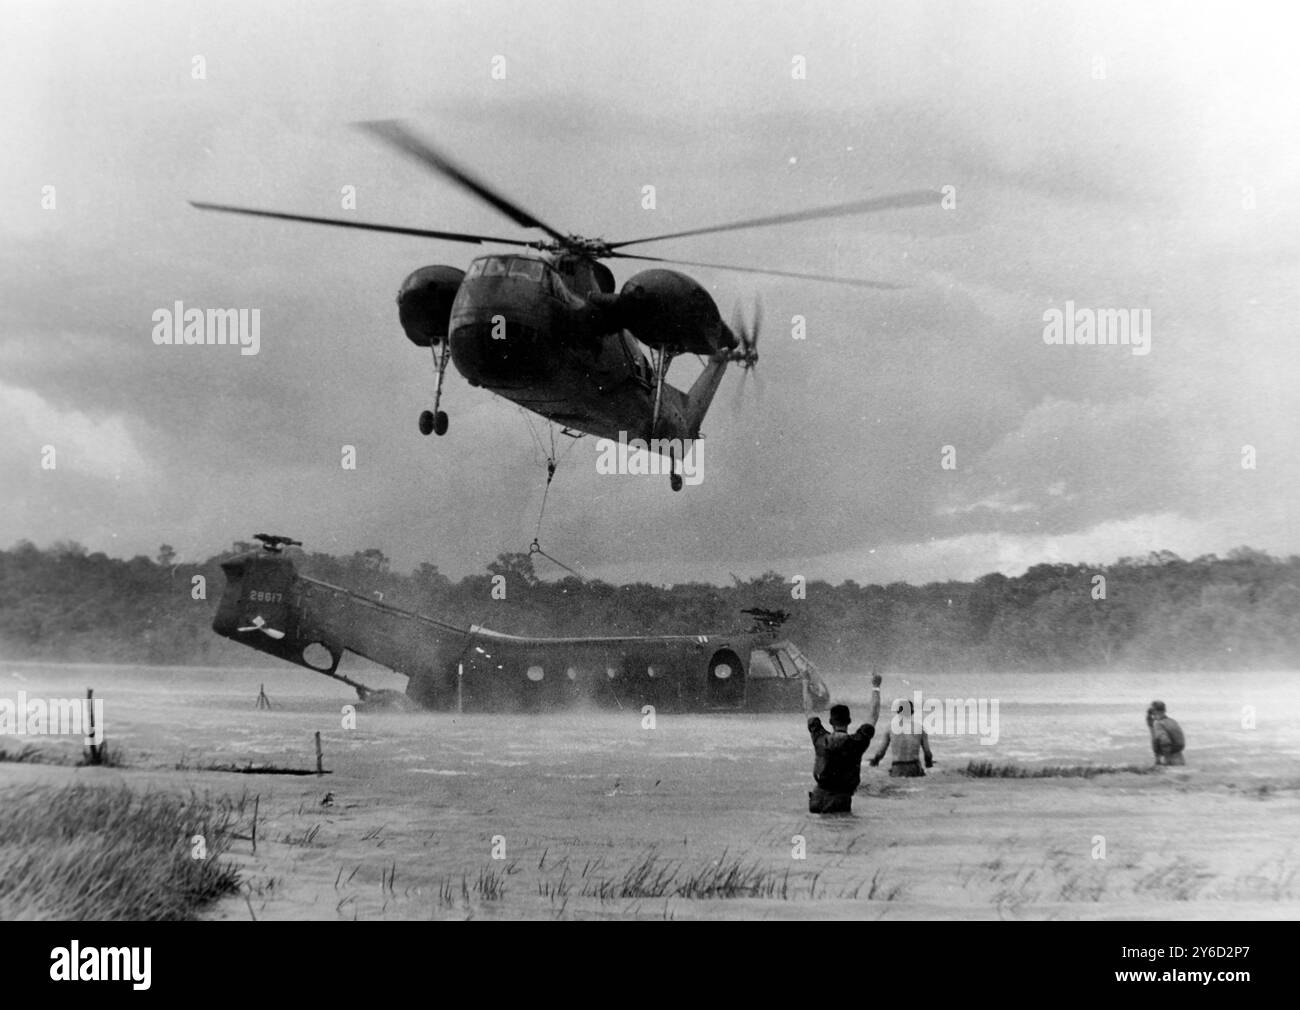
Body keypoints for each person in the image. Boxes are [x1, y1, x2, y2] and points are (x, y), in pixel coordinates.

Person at [805, 672, 882, 813]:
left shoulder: (820, 739)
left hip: (817, 798)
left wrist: (805, 683)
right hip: (840, 800)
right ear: (849, 721)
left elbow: (808, 710)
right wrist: (876, 687)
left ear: (830, 722)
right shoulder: (857, 742)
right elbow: (873, 715)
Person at [869, 699, 933, 776]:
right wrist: (929, 765)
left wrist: (875, 762)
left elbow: (880, 752)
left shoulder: (890, 728)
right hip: (914, 767)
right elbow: (927, 753)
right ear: (912, 712)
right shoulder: (920, 728)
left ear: (898, 712)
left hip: (897, 767)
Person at [1147, 700, 1186, 766]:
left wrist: (1166, 761)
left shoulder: (1158, 724)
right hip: (1179, 757)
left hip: (1170, 758)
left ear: (1154, 711)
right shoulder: (1172, 721)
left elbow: (1165, 742)